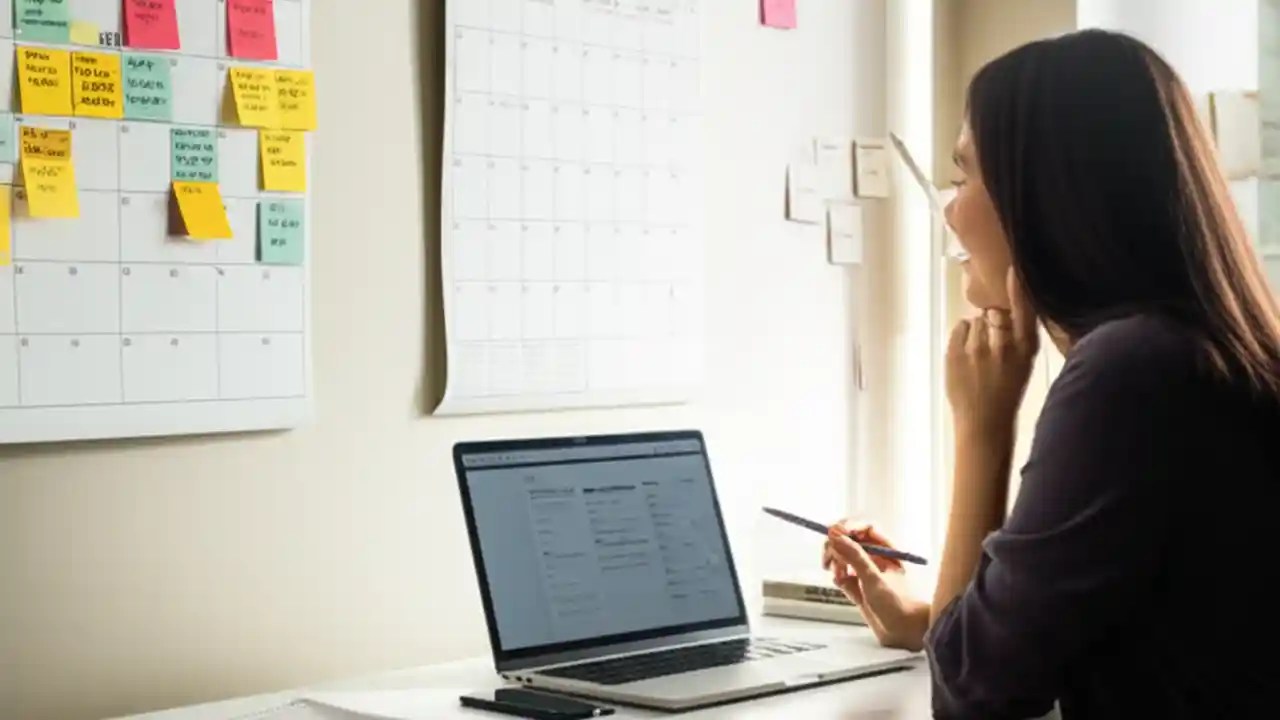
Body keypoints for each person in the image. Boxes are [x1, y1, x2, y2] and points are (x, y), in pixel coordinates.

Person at [821, 29, 1280, 719]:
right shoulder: (1204, 345)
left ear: (1042, 193)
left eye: (961, 175)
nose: (950, 208)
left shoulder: (1129, 372)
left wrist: (982, 429)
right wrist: (933, 623)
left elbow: (973, 697)